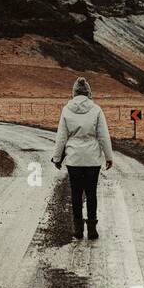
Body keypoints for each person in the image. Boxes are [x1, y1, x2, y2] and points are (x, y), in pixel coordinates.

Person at [50, 77, 113, 240]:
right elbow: (103, 136)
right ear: (88, 93)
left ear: (74, 92)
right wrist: (108, 156)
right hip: (92, 160)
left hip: (74, 160)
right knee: (91, 193)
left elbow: (61, 137)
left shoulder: (66, 110)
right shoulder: (96, 110)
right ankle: (92, 230)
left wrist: (57, 158)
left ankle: (78, 229)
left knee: (76, 194)